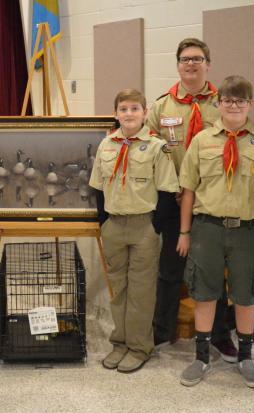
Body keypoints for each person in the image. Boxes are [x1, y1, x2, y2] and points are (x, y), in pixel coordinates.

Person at [176, 75, 254, 388]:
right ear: (218, 104)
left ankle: (247, 357)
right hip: (207, 227)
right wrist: (184, 232)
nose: (233, 105)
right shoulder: (202, 141)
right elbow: (188, 190)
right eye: (227, 100)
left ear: (251, 104)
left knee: (246, 295)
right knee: (205, 293)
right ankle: (201, 356)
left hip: (248, 231)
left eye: (240, 100)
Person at [145, 38, 237, 360]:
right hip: (174, 199)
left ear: (208, 64)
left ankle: (220, 335)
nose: (191, 64)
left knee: (215, 271)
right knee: (170, 268)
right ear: (178, 65)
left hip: (212, 199)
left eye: (198, 59)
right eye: (185, 59)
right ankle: (161, 330)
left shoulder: (223, 103)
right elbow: (148, 148)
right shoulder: (162, 106)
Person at [90, 89, 180, 373]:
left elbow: (167, 191)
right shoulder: (106, 145)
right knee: (118, 288)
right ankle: (120, 342)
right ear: (116, 113)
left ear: (145, 112)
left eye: (134, 109)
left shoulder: (156, 146)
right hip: (114, 225)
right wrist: (104, 221)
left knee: (142, 290)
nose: (129, 114)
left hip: (143, 227)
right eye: (123, 109)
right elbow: (97, 187)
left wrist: (155, 227)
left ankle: (140, 346)